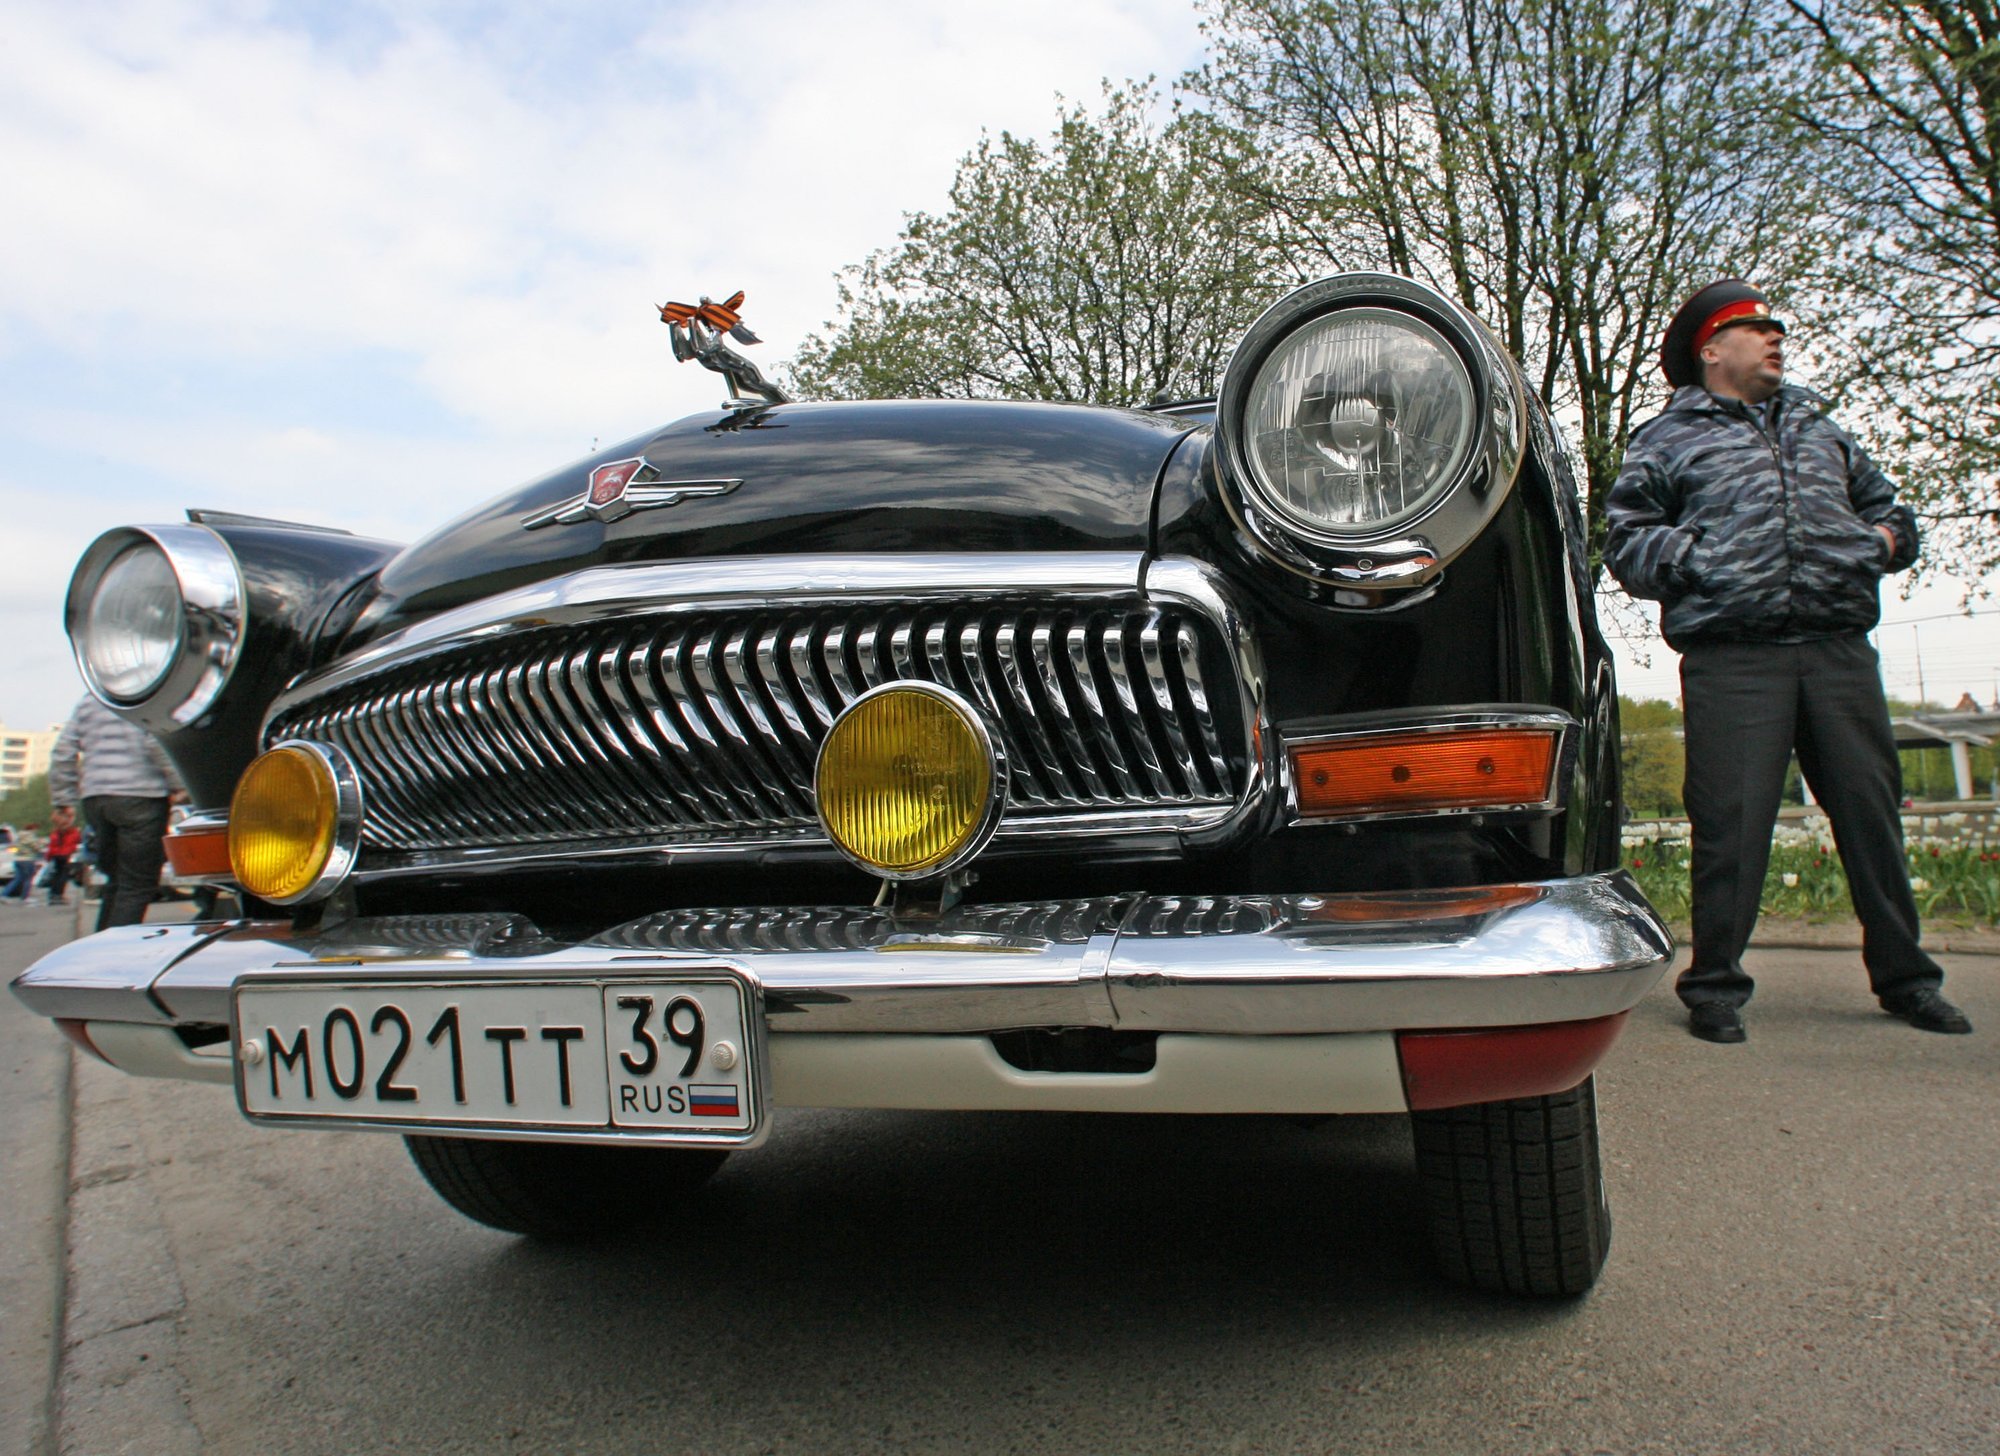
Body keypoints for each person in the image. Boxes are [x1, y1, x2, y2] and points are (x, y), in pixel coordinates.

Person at [1605, 279, 1971, 1042]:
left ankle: (1908, 981)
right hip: (1734, 658)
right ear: (1712, 350)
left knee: (1873, 820)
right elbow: (1627, 541)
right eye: (1756, 328)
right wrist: (1705, 558)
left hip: (1838, 651)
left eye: (1777, 328)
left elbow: (1894, 515)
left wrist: (1879, 544)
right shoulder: (1667, 439)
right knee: (1732, 824)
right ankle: (1715, 988)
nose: (1775, 338)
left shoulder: (1823, 431)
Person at [48, 695, 184, 931]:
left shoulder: (88, 702)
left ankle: (101, 947)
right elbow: (154, 741)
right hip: (142, 796)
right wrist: (180, 784)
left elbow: (63, 751)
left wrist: (63, 801)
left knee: (116, 880)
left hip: (96, 799)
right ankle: (117, 954)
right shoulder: (145, 695)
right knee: (137, 884)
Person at [42, 806, 81, 906]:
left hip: (56, 854)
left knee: (57, 874)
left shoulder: (55, 833)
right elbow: (75, 841)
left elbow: (52, 846)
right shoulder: (72, 832)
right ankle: (58, 894)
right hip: (65, 854)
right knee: (63, 876)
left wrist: (48, 857)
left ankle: (54, 894)